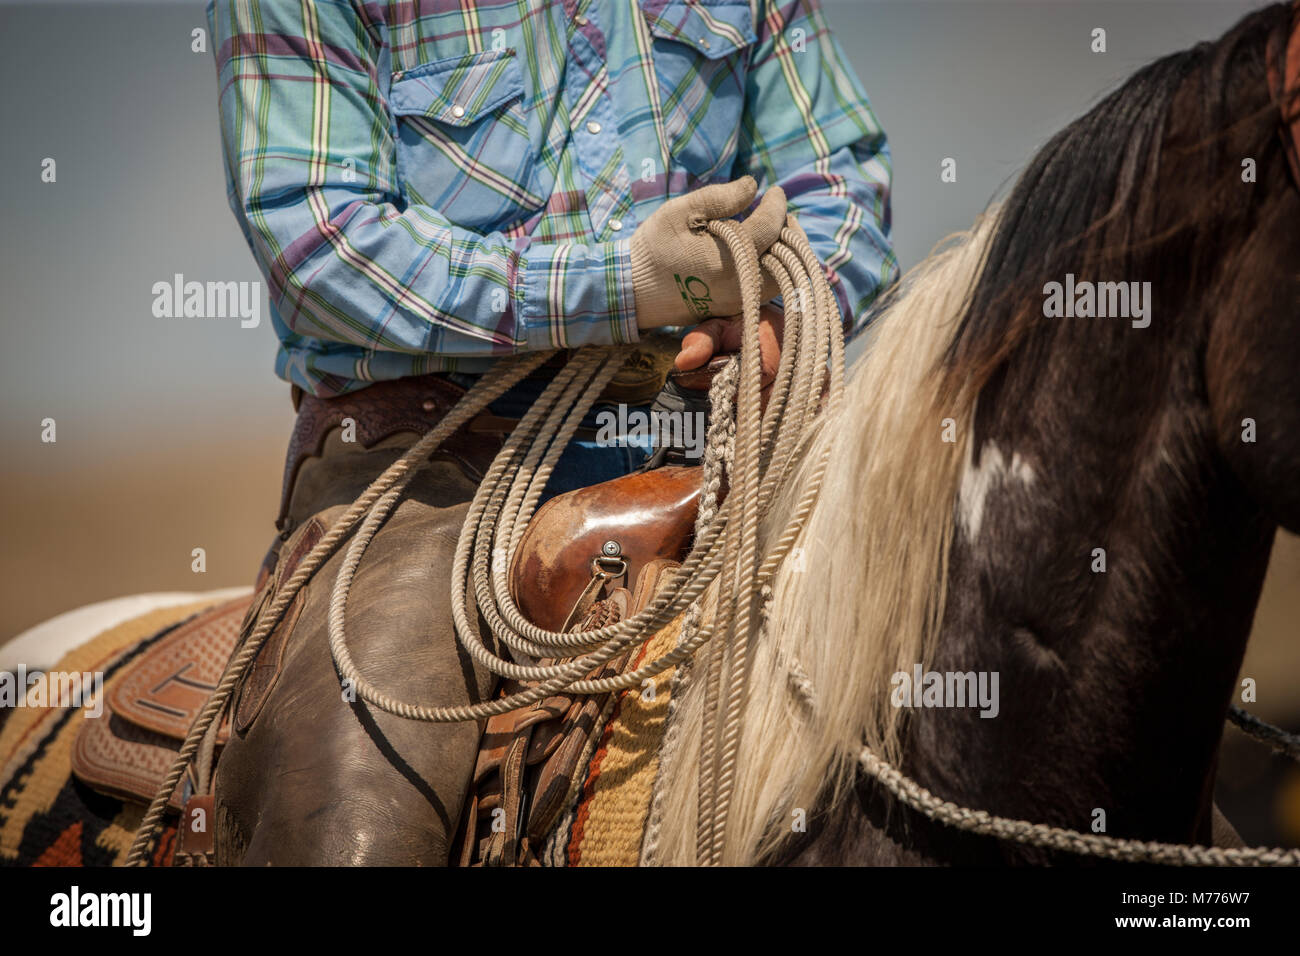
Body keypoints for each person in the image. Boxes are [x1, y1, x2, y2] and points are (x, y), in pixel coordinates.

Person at [207, 0, 897, 864]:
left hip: (721, 442)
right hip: (430, 469)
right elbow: (316, 236)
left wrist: (788, 317)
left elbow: (837, 177)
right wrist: (623, 285)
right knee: (358, 821)